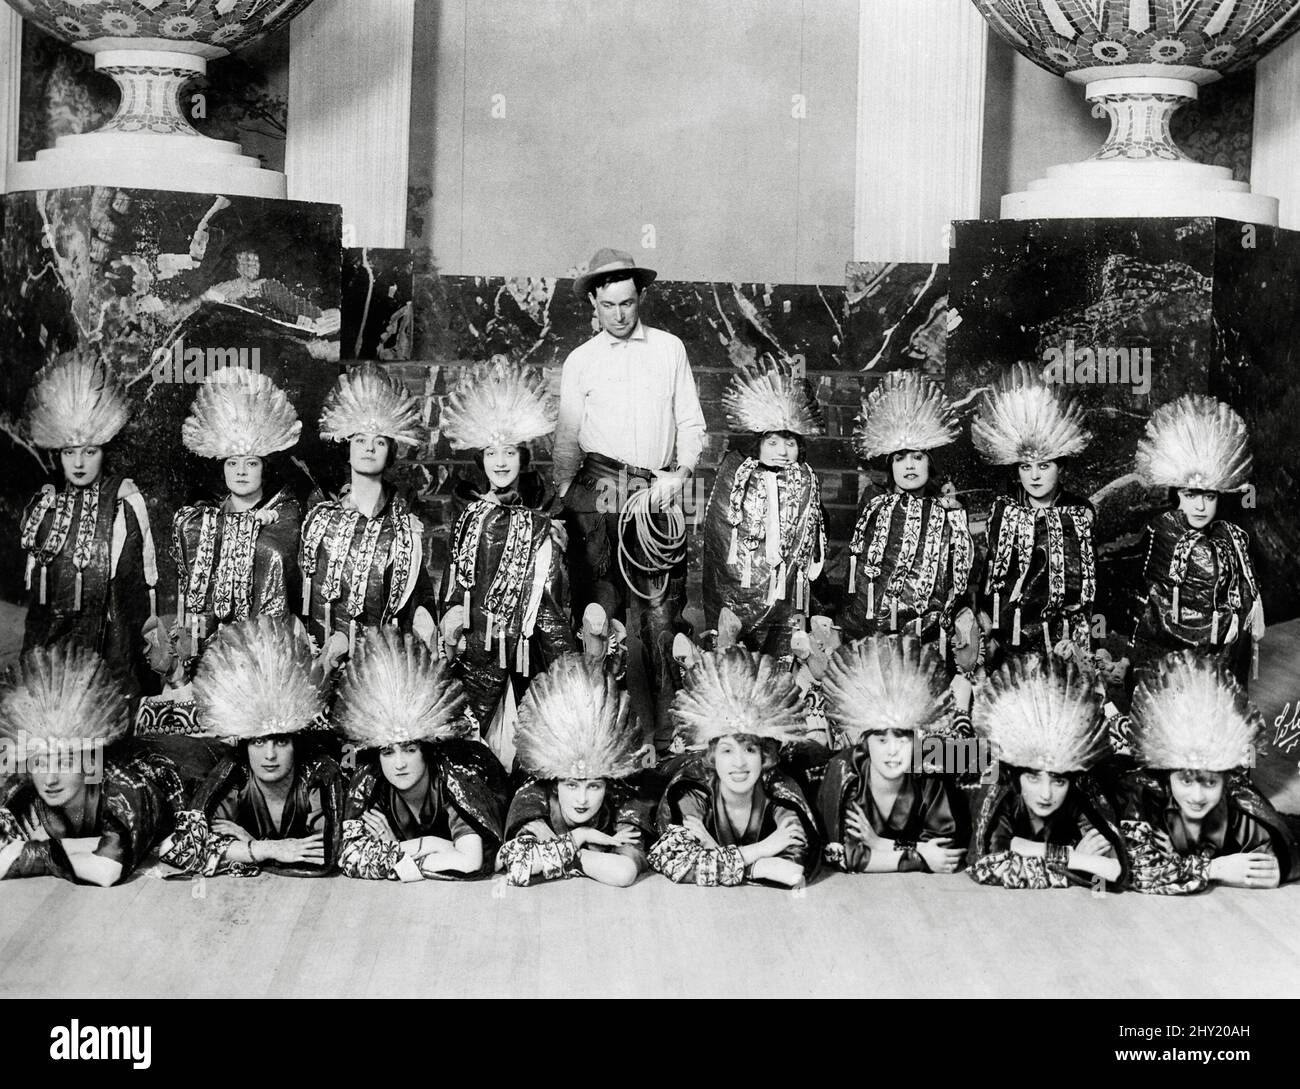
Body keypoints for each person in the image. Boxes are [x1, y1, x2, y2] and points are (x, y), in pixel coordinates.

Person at [553, 248, 708, 752]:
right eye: (608, 305)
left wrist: (678, 476)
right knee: (599, 613)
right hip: (596, 488)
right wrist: (563, 498)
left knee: (662, 616)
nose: (618, 315)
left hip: (656, 491)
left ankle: (667, 740)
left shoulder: (669, 349)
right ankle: (601, 737)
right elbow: (568, 437)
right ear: (593, 303)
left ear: (640, 297)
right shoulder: (581, 361)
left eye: (627, 303)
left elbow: (690, 422)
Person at [438, 360, 577, 765]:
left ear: (523, 457)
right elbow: (456, 581)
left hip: (533, 646)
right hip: (483, 647)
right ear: (481, 459)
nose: (500, 462)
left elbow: (556, 592)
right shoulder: (469, 515)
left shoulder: (547, 516)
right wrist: (452, 619)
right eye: (492, 453)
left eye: (510, 453)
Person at [19, 351, 158, 696]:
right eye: (70, 452)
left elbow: (138, 598)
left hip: (112, 660)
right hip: (56, 663)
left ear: (105, 451)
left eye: (90, 451)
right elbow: (38, 607)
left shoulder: (126, 506)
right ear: (60, 455)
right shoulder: (45, 511)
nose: (79, 462)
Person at [160, 618, 344, 877]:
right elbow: (176, 848)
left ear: (295, 743)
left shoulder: (318, 774)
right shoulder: (234, 775)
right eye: (258, 742)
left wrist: (241, 846)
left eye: (280, 741)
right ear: (245, 745)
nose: (269, 755)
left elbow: (325, 855)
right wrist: (263, 848)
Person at [0, 644, 182, 885]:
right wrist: (77, 848)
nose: (50, 779)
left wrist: (33, 852)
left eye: (65, 763)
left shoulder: (125, 787)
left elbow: (106, 871)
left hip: (194, 771)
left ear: (90, 761)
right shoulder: (21, 790)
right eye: (40, 763)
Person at [334, 629, 508, 881]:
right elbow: (348, 856)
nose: (399, 763)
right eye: (387, 752)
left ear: (426, 750)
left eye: (409, 749)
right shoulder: (369, 781)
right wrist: (436, 847)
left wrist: (395, 850)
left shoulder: (455, 778)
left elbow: (470, 862)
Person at [1120, 652, 1298, 894]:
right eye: (1185, 780)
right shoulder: (1143, 792)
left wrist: (1282, 867)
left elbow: (1281, 848)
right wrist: (1216, 869)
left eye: (1210, 783)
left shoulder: (1243, 808)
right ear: (1167, 775)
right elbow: (1134, 870)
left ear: (1226, 781)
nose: (1197, 796)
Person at [840, 371, 975, 681]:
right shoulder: (875, 508)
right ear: (890, 465)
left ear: (930, 463)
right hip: (875, 630)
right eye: (901, 458)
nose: (910, 466)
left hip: (928, 636)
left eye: (917, 457)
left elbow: (958, 578)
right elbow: (859, 577)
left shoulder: (948, 513)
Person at [649, 647, 819, 888]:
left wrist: (713, 850)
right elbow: (675, 861)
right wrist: (762, 852)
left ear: (764, 755)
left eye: (749, 749)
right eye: (727, 750)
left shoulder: (780, 792)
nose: (739, 763)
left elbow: (793, 871)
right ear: (712, 756)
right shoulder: (693, 790)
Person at [1129, 395, 1262, 690]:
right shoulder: (1162, 531)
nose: (1200, 506)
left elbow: (1244, 598)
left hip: (1221, 655)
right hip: (1167, 651)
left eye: (1209, 496)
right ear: (1178, 495)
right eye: (1191, 495)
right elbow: (1149, 598)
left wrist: (1232, 623)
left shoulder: (1232, 539)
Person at [300, 365, 434, 654]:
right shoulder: (321, 513)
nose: (369, 449)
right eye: (360, 440)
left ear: (390, 452)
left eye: (379, 441)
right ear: (347, 447)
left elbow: (417, 597)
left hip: (382, 656)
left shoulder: (405, 521)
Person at [971, 364, 1097, 667]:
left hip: (1061, 638)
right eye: (1026, 467)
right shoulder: (1005, 510)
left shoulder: (1079, 513)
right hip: (1008, 634)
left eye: (1044, 466)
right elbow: (991, 576)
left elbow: (1087, 587)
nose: (1035, 476)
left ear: (1062, 467)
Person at [700, 360, 827, 658]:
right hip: (740, 588)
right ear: (757, 443)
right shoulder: (736, 477)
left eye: (790, 442)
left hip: (787, 598)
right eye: (772, 442)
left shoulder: (807, 482)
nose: (782, 452)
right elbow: (721, 541)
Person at [817, 635, 970, 875]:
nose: (892, 750)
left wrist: (880, 845)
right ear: (865, 742)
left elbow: (946, 854)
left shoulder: (929, 767)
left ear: (915, 738)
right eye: (881, 739)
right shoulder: (845, 772)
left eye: (901, 737)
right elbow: (842, 855)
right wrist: (919, 855)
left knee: (976, 756)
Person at [969, 657, 1126, 889]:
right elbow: (990, 862)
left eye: (1059, 782)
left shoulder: (1082, 790)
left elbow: (1111, 872)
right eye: (1033, 778)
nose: (1046, 794)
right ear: (1017, 776)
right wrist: (1071, 856)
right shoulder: (998, 786)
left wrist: (1025, 849)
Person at [498, 654, 654, 887]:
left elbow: (624, 872)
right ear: (554, 784)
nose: (582, 799)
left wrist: (558, 854)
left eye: (594, 786)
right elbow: (519, 866)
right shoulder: (532, 798)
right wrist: (579, 838)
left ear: (608, 785)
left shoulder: (626, 799)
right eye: (571, 785)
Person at [173, 368, 303, 645]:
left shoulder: (285, 512)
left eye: (251, 463)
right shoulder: (206, 513)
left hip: (260, 643)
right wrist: (248, 522)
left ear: (264, 469)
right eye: (232, 462)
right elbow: (185, 526)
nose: (241, 471)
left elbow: (278, 554)